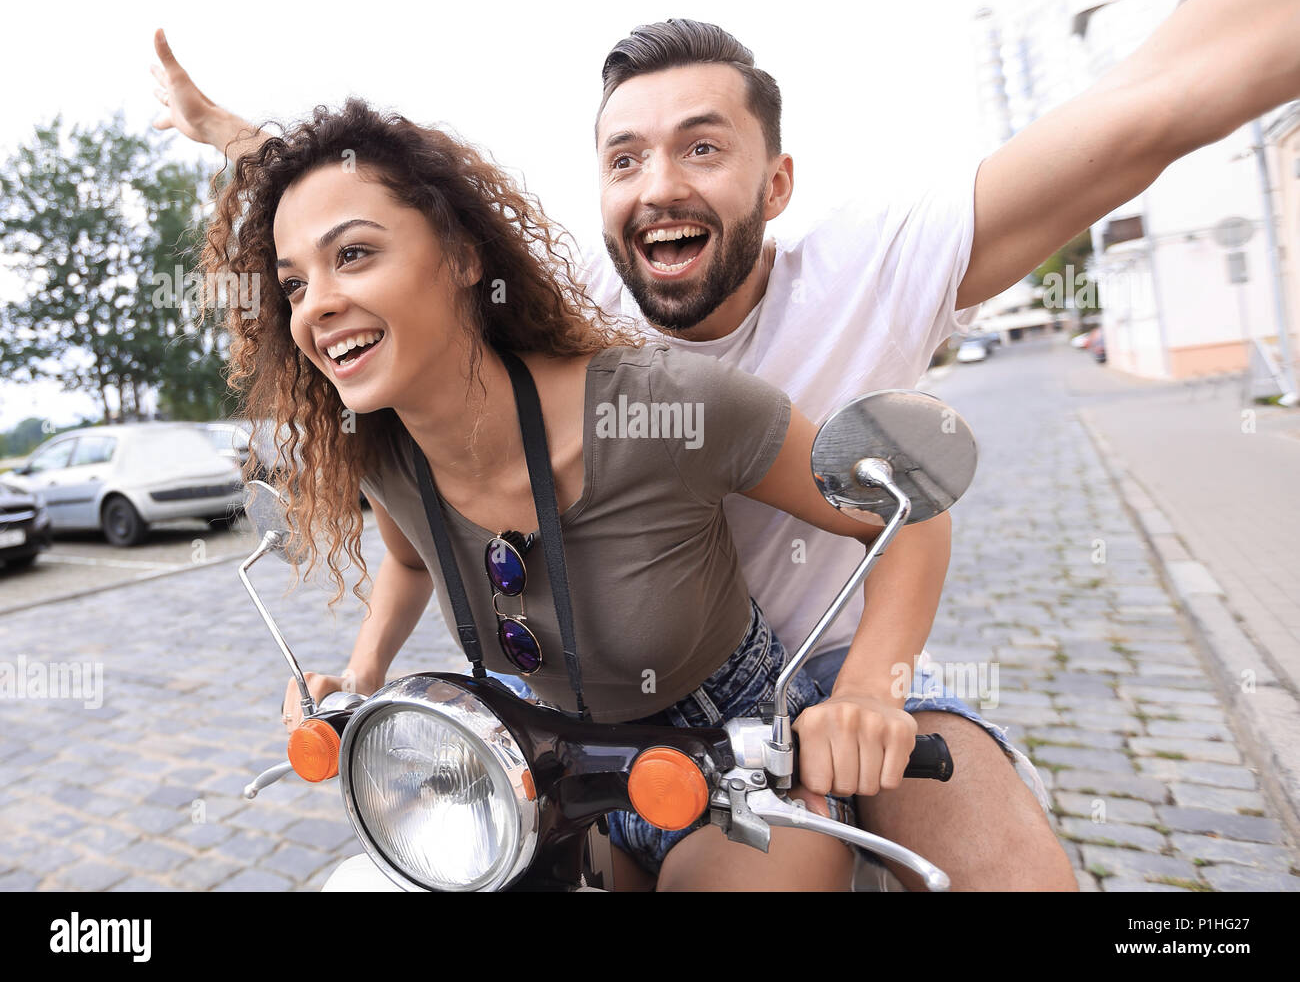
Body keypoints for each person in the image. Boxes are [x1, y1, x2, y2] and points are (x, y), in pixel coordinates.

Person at [153, 0, 1300, 890]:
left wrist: (871, 691)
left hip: (819, 679)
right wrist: (244, 144)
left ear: (777, 178)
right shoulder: (553, 319)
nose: (658, 184)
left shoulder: (863, 266)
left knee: (990, 849)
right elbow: (387, 236)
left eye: (702, 147)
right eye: (624, 157)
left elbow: (1143, 111)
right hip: (583, 738)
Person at [202, 97, 957, 890]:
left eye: (352, 255)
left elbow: (905, 509)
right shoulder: (385, 452)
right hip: (538, 770)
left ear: (463, 256)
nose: (315, 303)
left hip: (738, 764)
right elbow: (410, 561)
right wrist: (358, 678)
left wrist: (873, 690)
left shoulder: (666, 409)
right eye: (292, 283)